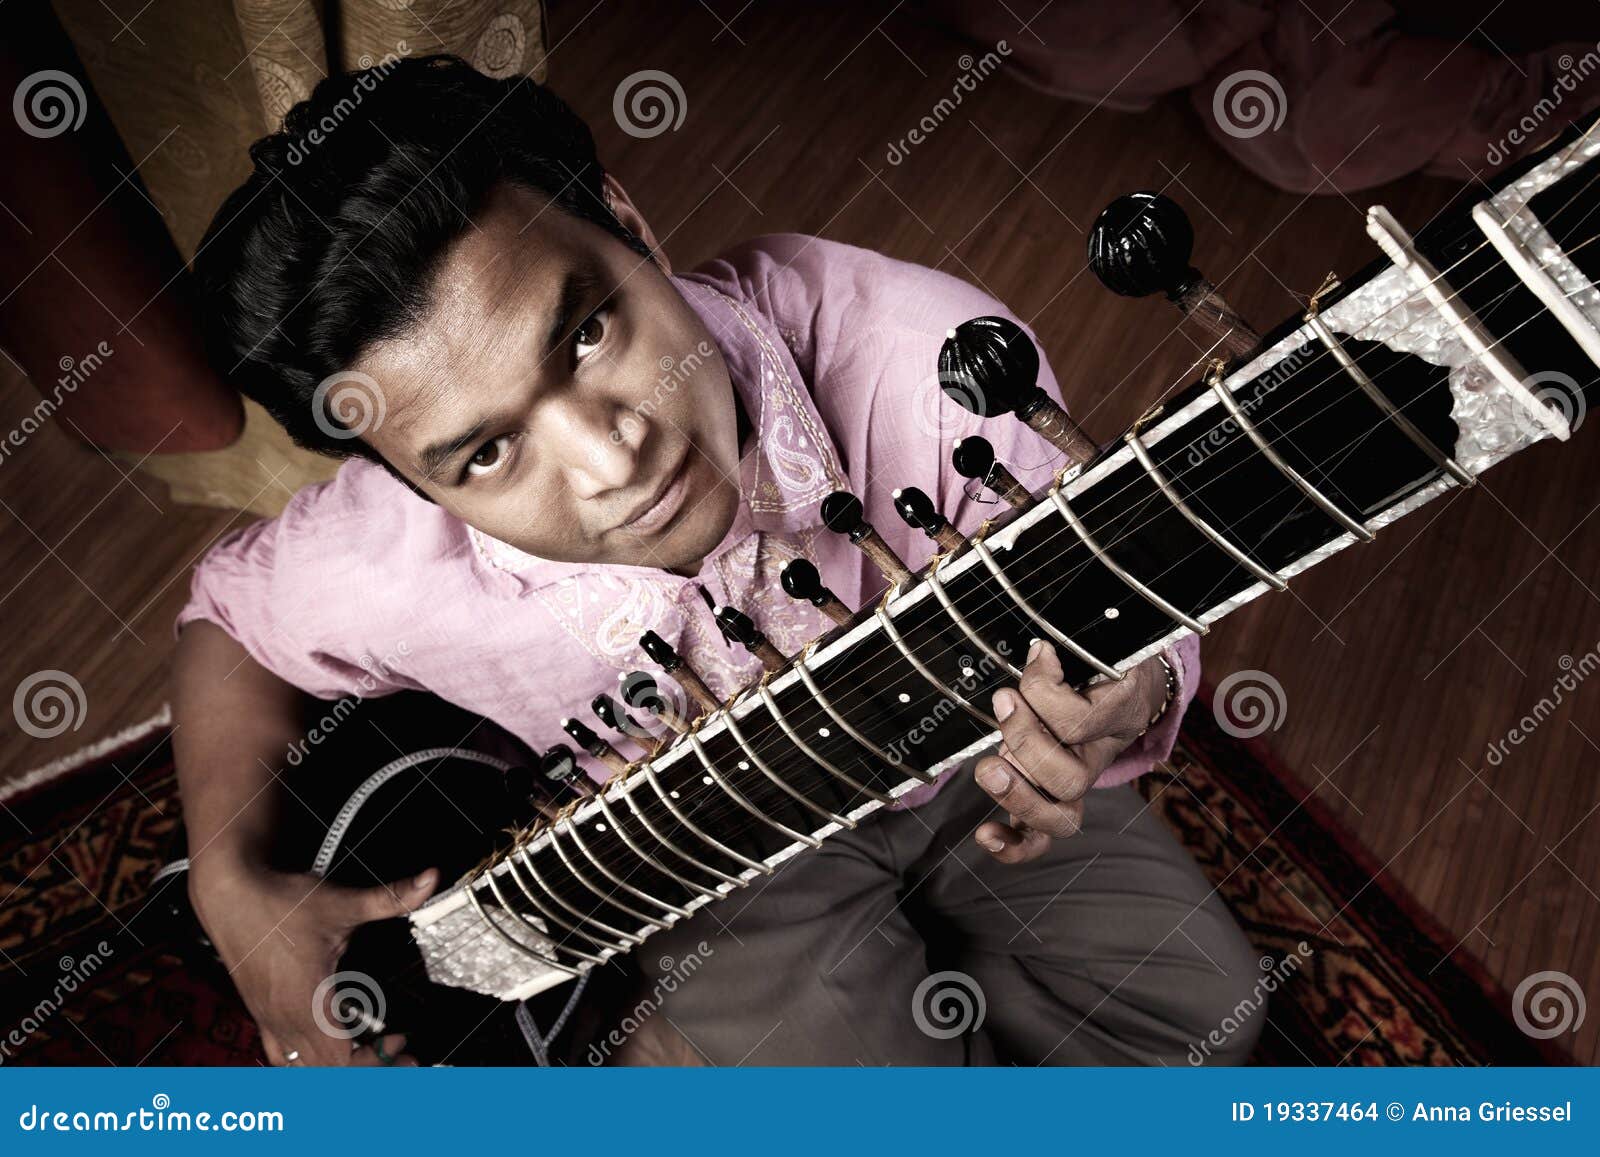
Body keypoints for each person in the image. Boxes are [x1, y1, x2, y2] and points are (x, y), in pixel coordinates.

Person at [174, 55, 1261, 1067]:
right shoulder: (387, 556)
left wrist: (1132, 689)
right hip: (709, 853)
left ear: (627, 222)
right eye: (491, 452)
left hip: (968, 745)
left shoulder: (928, 366)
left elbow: (1108, 600)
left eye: (590, 332)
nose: (609, 458)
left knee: (1210, 1018)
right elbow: (227, 620)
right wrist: (231, 886)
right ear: (410, 484)